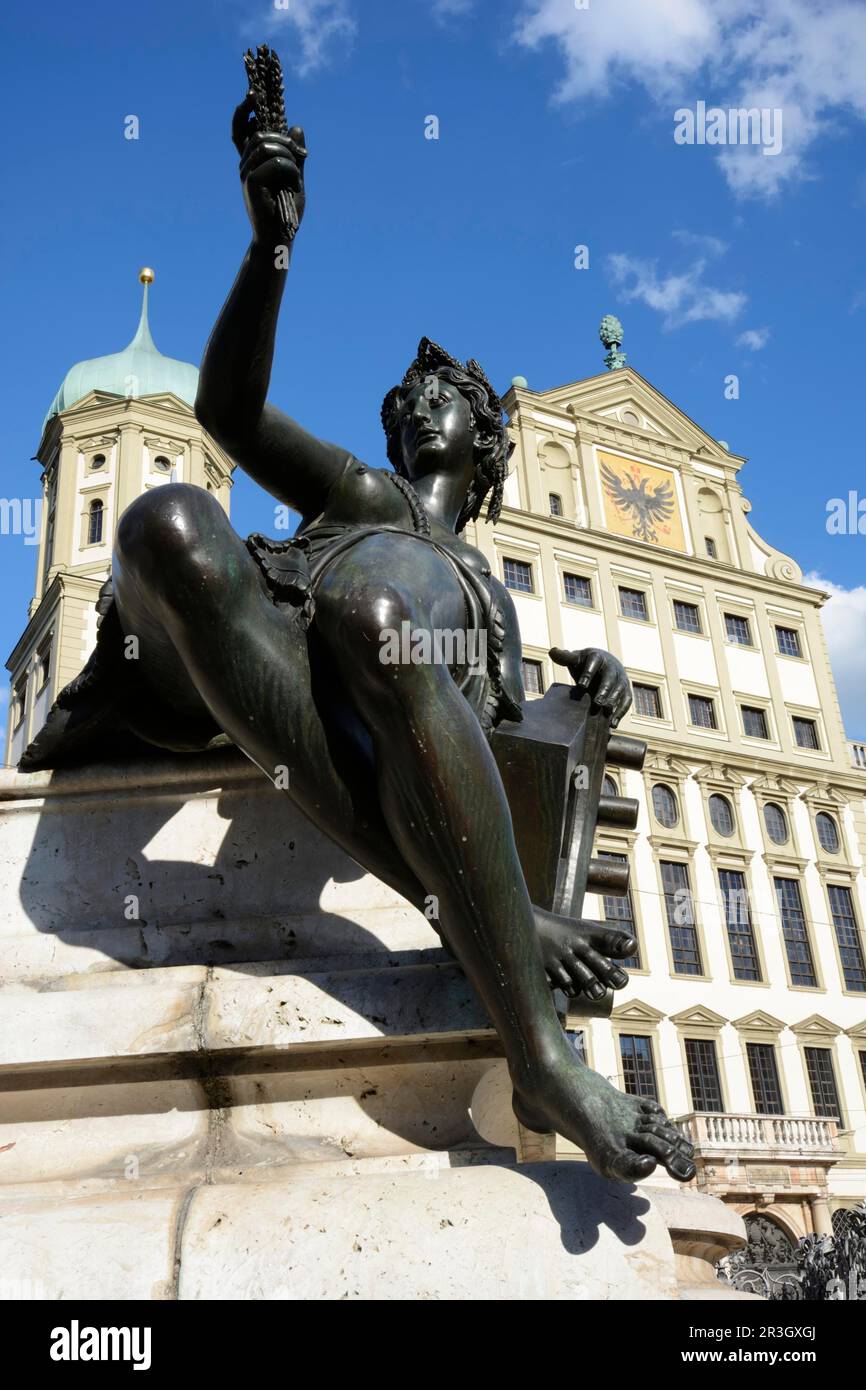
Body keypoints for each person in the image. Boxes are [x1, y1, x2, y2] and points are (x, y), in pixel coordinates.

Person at [23, 96, 694, 1184]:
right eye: (418, 392)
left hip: (358, 692)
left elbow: (509, 751)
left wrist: (599, 687)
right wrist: (270, 245)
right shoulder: (364, 492)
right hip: (230, 652)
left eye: (455, 400)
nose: (428, 401)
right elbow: (229, 414)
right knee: (168, 523)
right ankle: (517, 987)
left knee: (382, 615)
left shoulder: (486, 592)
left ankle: (537, 1053)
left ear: (487, 453)